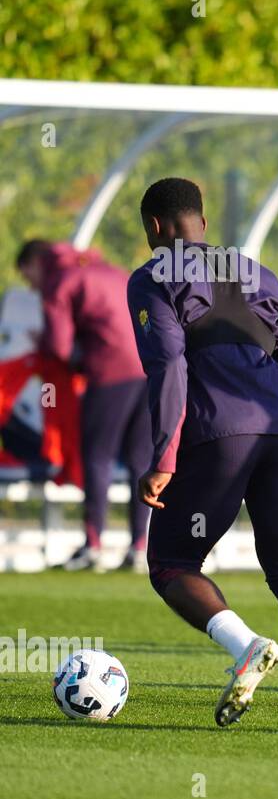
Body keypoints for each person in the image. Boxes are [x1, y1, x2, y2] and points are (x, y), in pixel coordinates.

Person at [126, 177, 278, 732]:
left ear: (154, 227)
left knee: (172, 564)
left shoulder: (151, 277)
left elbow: (170, 367)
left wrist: (163, 457)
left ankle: (247, 646)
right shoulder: (256, 271)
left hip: (218, 432)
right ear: (201, 222)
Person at [16, 240, 151, 572]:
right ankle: (140, 547)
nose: (31, 286)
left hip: (110, 372)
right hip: (151, 368)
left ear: (36, 262)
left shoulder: (59, 281)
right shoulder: (111, 271)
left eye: (27, 277)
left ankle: (93, 545)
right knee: (141, 460)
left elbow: (60, 347)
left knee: (97, 456)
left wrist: (50, 349)